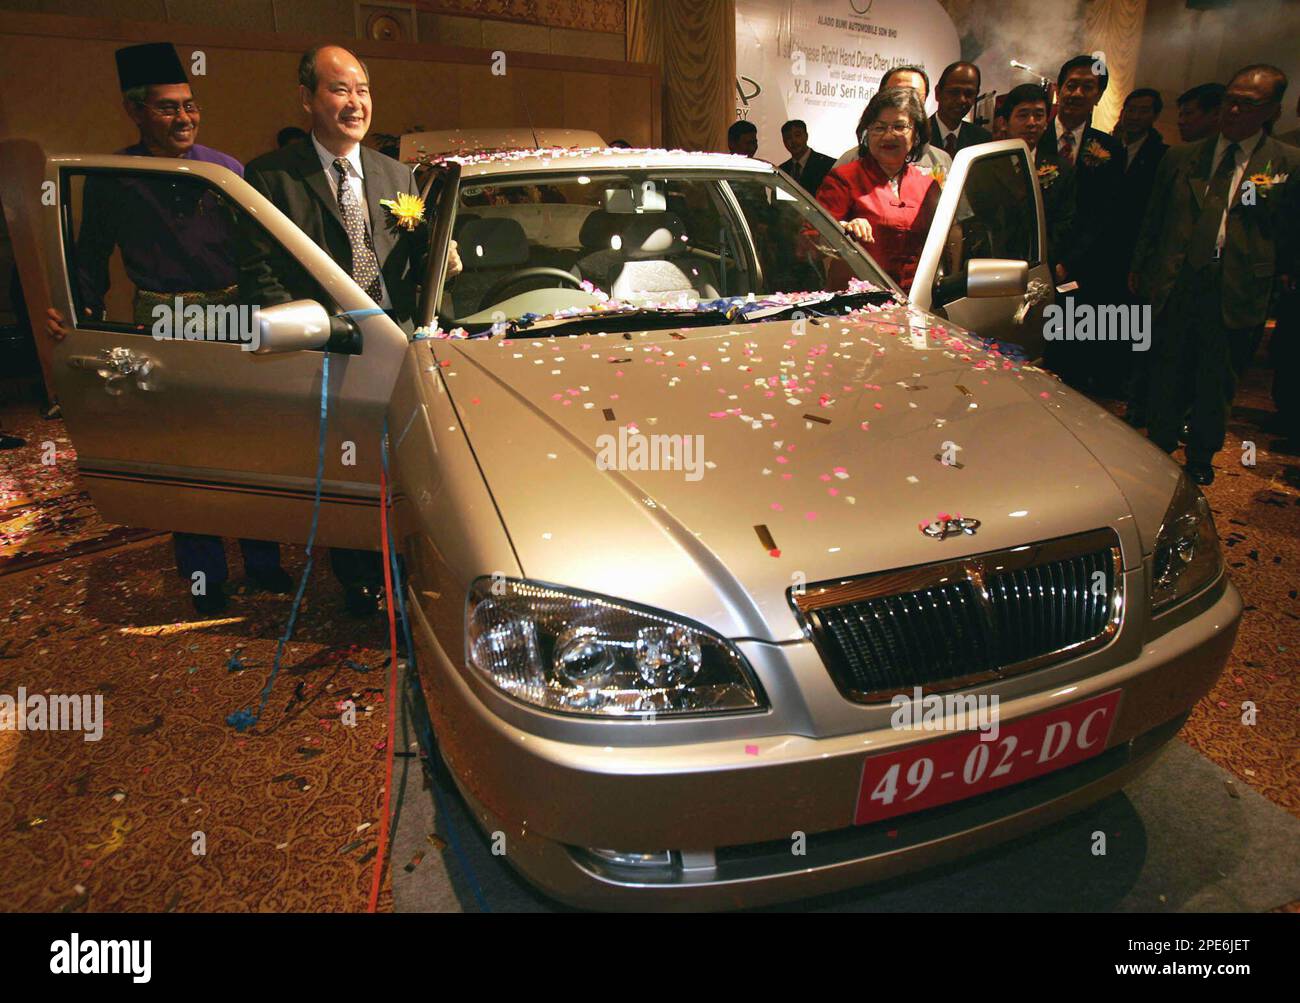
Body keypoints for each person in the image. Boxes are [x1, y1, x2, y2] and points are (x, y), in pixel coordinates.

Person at [45, 42, 292, 616]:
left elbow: (264, 256)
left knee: (247, 448)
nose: (184, 118)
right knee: (185, 457)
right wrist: (72, 318)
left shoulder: (225, 170)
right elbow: (89, 259)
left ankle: (265, 564)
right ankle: (205, 578)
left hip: (233, 317)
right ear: (134, 112)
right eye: (167, 108)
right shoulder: (115, 177)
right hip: (164, 323)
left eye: (190, 105)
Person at [240, 44, 461, 616]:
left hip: (400, 341)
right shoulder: (272, 176)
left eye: (362, 89)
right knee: (347, 465)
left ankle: (410, 564)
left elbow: (412, 260)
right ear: (307, 98)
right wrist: (307, 332)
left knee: (410, 460)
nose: (355, 102)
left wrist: (444, 258)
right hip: (329, 345)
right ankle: (359, 578)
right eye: (340, 90)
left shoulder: (397, 173)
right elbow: (258, 269)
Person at [1129, 64, 1300, 485]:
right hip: (1178, 278)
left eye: (1249, 102)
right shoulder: (1183, 156)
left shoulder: (1287, 164)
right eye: (1230, 98)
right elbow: (1153, 219)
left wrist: (1282, 275)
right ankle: (1160, 443)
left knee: (1217, 378)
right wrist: (1140, 268)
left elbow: (1290, 229)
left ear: (1273, 109)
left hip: (1237, 283)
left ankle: (1202, 454)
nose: (1234, 108)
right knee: (1168, 369)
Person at [1037, 55, 1124, 389]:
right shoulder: (1033, 136)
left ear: (1098, 95)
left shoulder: (1109, 149)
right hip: (1033, 257)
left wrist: (1067, 261)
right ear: (1059, 89)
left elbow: (1105, 214)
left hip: (1078, 268)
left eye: (1087, 87)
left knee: (1067, 345)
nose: (1076, 93)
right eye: (1071, 85)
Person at [815, 88, 942, 292]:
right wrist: (843, 229)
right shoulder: (844, 178)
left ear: (916, 134)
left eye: (900, 127)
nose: (888, 135)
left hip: (915, 301)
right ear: (867, 133)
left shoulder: (928, 186)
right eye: (879, 127)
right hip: (857, 303)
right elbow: (811, 238)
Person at [1115, 88, 1169, 425]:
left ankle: (1123, 382)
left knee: (1128, 318)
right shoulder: (1107, 147)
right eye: (1130, 109)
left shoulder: (1163, 155)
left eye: (1142, 111)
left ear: (1153, 116)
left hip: (1136, 243)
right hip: (1105, 247)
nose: (1134, 116)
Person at [1002, 84, 1076, 279]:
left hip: (1041, 267)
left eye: (1039, 115)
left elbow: (1064, 221)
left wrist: (1043, 256)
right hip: (995, 266)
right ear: (1005, 122)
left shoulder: (1061, 168)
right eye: (1023, 115)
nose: (1031, 123)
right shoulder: (987, 164)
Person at [834, 65, 953, 177]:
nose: (903, 101)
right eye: (895, 93)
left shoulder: (941, 162)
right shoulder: (850, 164)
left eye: (913, 95)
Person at [931, 61, 992, 156]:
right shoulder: (917, 136)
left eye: (969, 94)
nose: (961, 100)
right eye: (954, 92)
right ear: (938, 93)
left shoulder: (983, 141)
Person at [777, 119, 835, 194]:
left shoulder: (828, 164)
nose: (793, 141)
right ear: (783, 141)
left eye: (797, 135)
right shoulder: (782, 170)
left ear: (806, 136)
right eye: (788, 137)